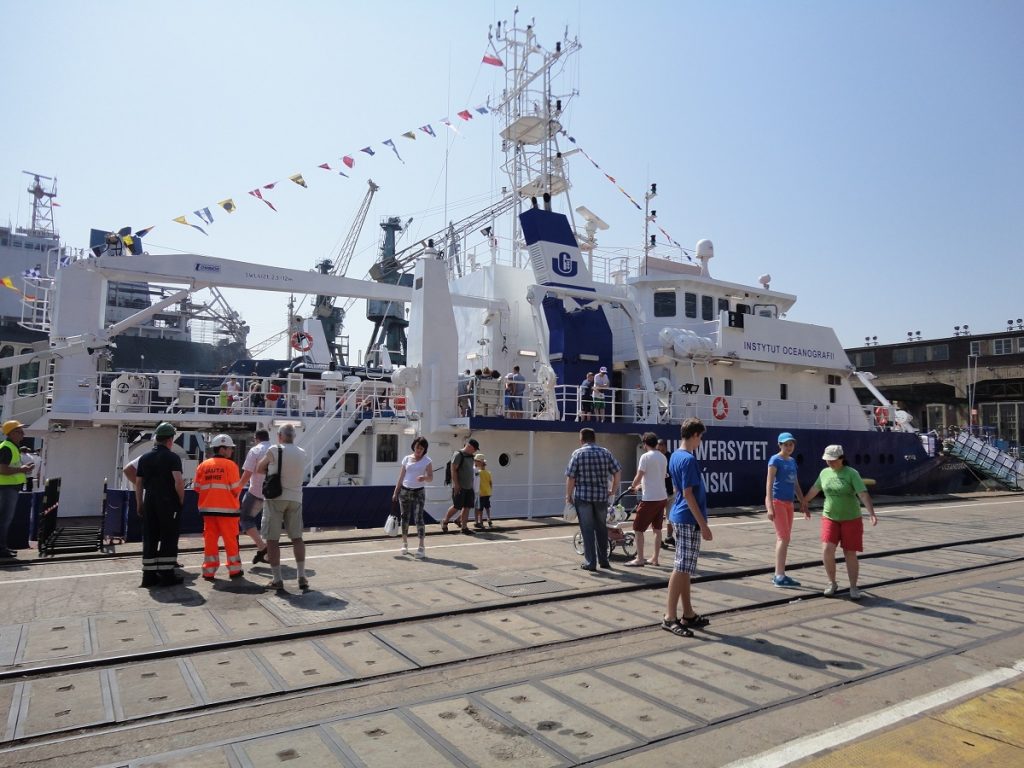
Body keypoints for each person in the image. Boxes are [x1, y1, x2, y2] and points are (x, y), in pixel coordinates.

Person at [803, 445, 878, 600]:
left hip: (851, 518)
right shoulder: (824, 473)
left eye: (832, 460)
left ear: (841, 458)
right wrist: (804, 503)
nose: (829, 463)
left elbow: (862, 494)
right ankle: (832, 582)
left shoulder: (851, 473)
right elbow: (815, 489)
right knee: (827, 549)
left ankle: (853, 587)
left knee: (849, 552)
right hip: (830, 517)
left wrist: (871, 513)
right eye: (827, 460)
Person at [662, 418, 713, 637]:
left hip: (678, 515)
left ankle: (688, 613)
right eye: (700, 437)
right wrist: (703, 524)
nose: (700, 441)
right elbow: (689, 494)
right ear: (694, 435)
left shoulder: (674, 455)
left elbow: (677, 488)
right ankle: (669, 617)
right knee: (681, 567)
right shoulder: (689, 460)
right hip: (688, 518)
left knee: (685, 569)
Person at [256, 424, 308, 591]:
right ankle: (302, 577)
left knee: (272, 540)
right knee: (297, 538)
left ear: (280, 436)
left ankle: (277, 579)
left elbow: (259, 468)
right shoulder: (302, 452)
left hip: (276, 498)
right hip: (296, 498)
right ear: (294, 436)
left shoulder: (274, 449)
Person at [135, 422, 186, 587]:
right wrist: (180, 500)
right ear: (170, 440)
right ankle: (166, 575)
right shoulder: (173, 457)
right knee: (168, 537)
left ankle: (148, 577)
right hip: (168, 502)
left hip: (149, 500)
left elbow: (138, 483)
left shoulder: (144, 458)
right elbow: (178, 482)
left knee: (150, 537)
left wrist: (139, 503)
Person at [565, 428, 621, 571]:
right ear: (594, 439)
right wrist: (613, 491)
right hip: (601, 497)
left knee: (587, 530)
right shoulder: (605, 453)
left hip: (583, 497)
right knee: (601, 528)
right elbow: (617, 472)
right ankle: (604, 561)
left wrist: (568, 496)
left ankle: (591, 562)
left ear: (582, 439)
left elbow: (571, 477)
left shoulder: (577, 454)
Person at [194, 434, 243, 580]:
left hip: (208, 511)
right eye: (229, 448)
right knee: (230, 541)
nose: (231, 451)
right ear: (222, 449)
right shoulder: (231, 466)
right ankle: (234, 571)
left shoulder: (203, 465)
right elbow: (236, 489)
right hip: (228, 511)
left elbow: (197, 488)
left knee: (210, 541)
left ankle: (209, 571)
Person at [765, 432, 809, 588]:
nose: (789, 447)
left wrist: (803, 501)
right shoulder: (775, 460)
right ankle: (779, 576)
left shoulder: (791, 461)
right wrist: (769, 506)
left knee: (785, 538)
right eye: (785, 444)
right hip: (778, 502)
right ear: (779, 445)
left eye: (791, 444)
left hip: (789, 503)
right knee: (783, 538)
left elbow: (795, 484)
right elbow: (769, 484)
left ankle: (779, 573)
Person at [625, 432, 667, 567]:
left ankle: (640, 558)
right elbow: (656, 478)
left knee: (638, 528)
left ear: (645, 443)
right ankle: (655, 558)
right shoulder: (663, 457)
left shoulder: (645, 457)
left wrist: (632, 486)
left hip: (650, 499)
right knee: (657, 529)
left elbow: (640, 474)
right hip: (662, 497)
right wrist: (639, 487)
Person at [393, 436, 433, 558]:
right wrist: (396, 491)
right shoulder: (406, 459)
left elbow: (431, 478)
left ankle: (421, 546)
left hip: (419, 492)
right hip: (405, 491)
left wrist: (424, 478)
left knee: (418, 518)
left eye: (421, 448)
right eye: (417, 447)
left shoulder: (427, 461)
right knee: (404, 517)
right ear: (414, 447)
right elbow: (401, 476)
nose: (418, 450)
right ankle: (404, 543)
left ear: (425, 449)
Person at [237, 429, 272, 564]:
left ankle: (263, 548)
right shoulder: (277, 450)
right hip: (275, 494)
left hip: (257, 492)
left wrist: (238, 489)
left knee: (246, 519)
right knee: (270, 524)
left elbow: (247, 474)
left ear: (256, 438)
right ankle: (270, 554)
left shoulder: (255, 450)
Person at [0, 420, 32, 559]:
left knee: (4, 520)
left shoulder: (11, 447)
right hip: (6, 489)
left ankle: (3, 548)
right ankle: (1, 549)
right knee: (4, 520)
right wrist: (22, 469)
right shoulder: (7, 448)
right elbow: (2, 469)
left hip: (8, 489)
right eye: (19, 431)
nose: (23, 434)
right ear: (11, 433)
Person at [440, 438, 479, 535]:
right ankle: (445, 521)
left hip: (469, 486)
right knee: (457, 506)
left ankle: (464, 527)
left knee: (467, 507)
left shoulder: (470, 457)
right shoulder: (458, 455)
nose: (475, 451)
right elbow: (453, 470)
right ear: (469, 446)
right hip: (460, 486)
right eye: (474, 449)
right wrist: (456, 485)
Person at [657, 439, 676, 550]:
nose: (660, 449)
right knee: (658, 517)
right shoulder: (657, 458)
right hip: (659, 492)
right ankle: (658, 540)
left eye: (661, 446)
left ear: (665, 446)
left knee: (671, 516)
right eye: (658, 447)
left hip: (670, 492)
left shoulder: (671, 457)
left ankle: (669, 537)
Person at [473, 453, 493, 529]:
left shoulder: (478, 473)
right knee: (487, 507)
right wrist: (490, 491)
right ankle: (489, 519)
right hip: (487, 492)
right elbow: (490, 483)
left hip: (480, 493)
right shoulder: (489, 473)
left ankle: (480, 521)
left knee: (480, 508)